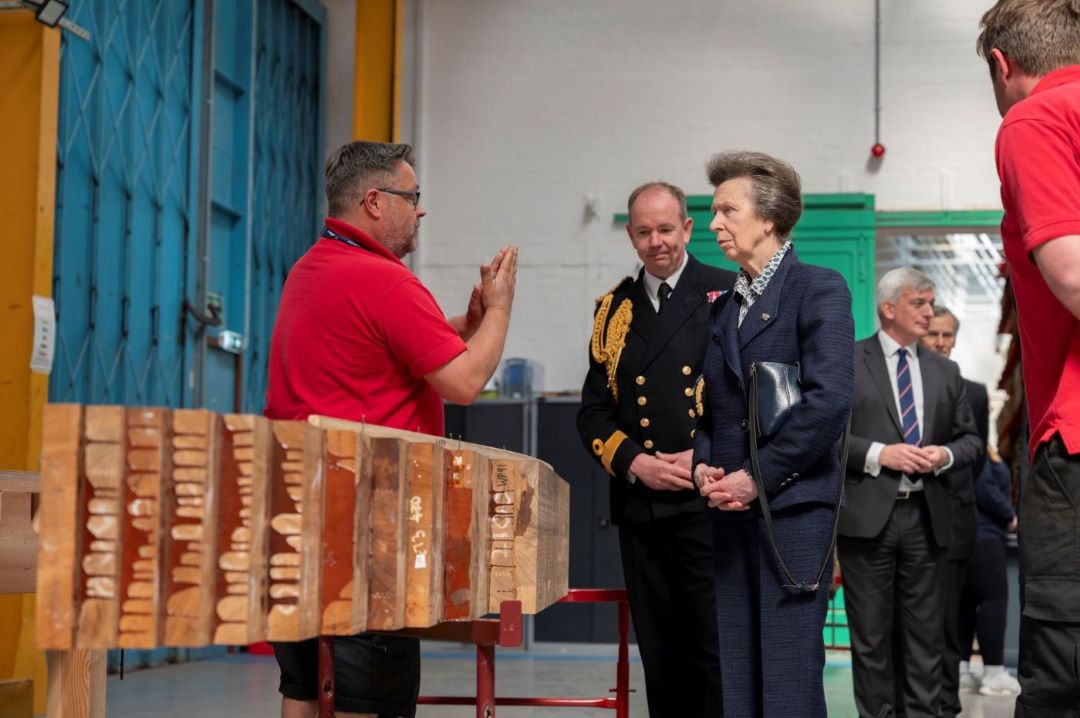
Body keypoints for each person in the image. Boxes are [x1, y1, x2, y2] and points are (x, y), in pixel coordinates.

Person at [264, 140, 518, 718]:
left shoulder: (313, 269)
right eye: (413, 196)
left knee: (304, 688)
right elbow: (463, 384)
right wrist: (499, 310)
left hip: (297, 516)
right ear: (375, 202)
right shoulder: (383, 280)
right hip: (365, 529)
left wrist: (466, 323)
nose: (421, 209)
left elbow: (388, 346)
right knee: (367, 695)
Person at [691, 151, 854, 717]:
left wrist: (753, 479)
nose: (713, 223)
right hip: (731, 509)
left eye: (726, 210)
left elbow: (828, 401)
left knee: (786, 678)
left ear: (768, 217)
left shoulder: (819, 288)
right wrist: (704, 465)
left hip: (791, 512)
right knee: (736, 671)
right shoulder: (723, 309)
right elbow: (713, 411)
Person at [577, 181, 734, 717]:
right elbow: (593, 411)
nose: (656, 241)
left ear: (687, 228)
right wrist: (635, 463)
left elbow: (747, 399)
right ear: (630, 235)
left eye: (666, 229)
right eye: (644, 231)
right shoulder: (612, 310)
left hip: (707, 500)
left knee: (711, 649)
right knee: (659, 650)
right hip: (642, 507)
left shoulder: (727, 292)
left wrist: (707, 454)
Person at [977, 2, 1080, 713]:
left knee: (1062, 675)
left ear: (1001, 64)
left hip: (1075, 440)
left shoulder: (1035, 119)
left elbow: (1072, 272)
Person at [838, 267, 982, 718]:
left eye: (930, 301)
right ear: (888, 308)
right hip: (867, 522)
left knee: (926, 642)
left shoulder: (946, 370)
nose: (929, 311)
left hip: (927, 519)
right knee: (871, 641)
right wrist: (881, 454)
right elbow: (827, 436)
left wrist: (943, 455)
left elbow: (971, 441)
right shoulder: (847, 361)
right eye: (919, 302)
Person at [920, 306, 988, 717]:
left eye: (948, 335)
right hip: (905, 516)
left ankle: (947, 704)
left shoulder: (974, 391)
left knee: (948, 620)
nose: (942, 343)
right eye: (934, 335)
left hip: (955, 517)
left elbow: (974, 454)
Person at [957, 446, 1021, 698]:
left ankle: (960, 670)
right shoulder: (978, 453)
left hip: (970, 535)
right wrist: (1010, 517)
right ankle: (994, 673)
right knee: (993, 601)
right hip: (986, 537)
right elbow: (985, 489)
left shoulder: (975, 450)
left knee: (966, 605)